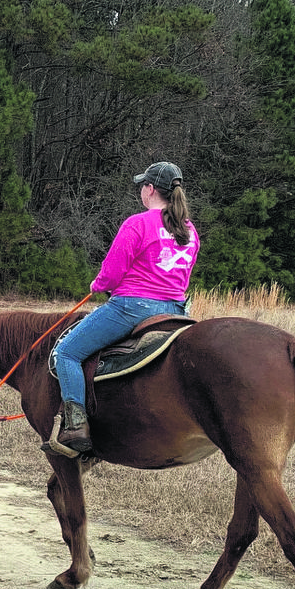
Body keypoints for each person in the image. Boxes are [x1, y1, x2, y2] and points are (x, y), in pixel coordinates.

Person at [47, 162, 200, 457]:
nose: (141, 190)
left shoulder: (137, 223)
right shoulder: (190, 230)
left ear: (150, 189)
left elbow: (112, 274)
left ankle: (76, 425)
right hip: (175, 312)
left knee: (67, 352)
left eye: (143, 185)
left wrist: (97, 284)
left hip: (132, 308)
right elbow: (184, 276)